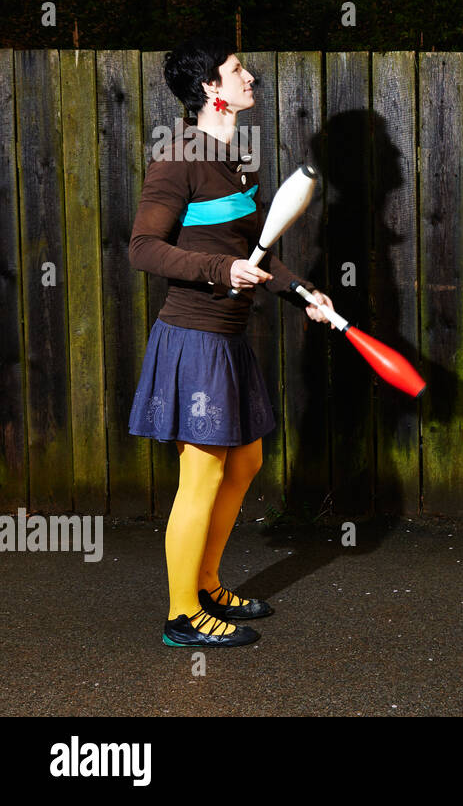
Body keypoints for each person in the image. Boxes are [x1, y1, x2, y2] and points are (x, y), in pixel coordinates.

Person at [128, 36, 335, 647]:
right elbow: (142, 248)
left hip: (229, 335)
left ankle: (209, 584)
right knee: (204, 471)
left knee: (246, 459)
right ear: (211, 90)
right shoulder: (178, 156)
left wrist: (304, 293)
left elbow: (255, 254)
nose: (250, 77)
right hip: (194, 336)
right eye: (237, 70)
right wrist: (220, 273)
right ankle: (181, 616)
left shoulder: (238, 159)